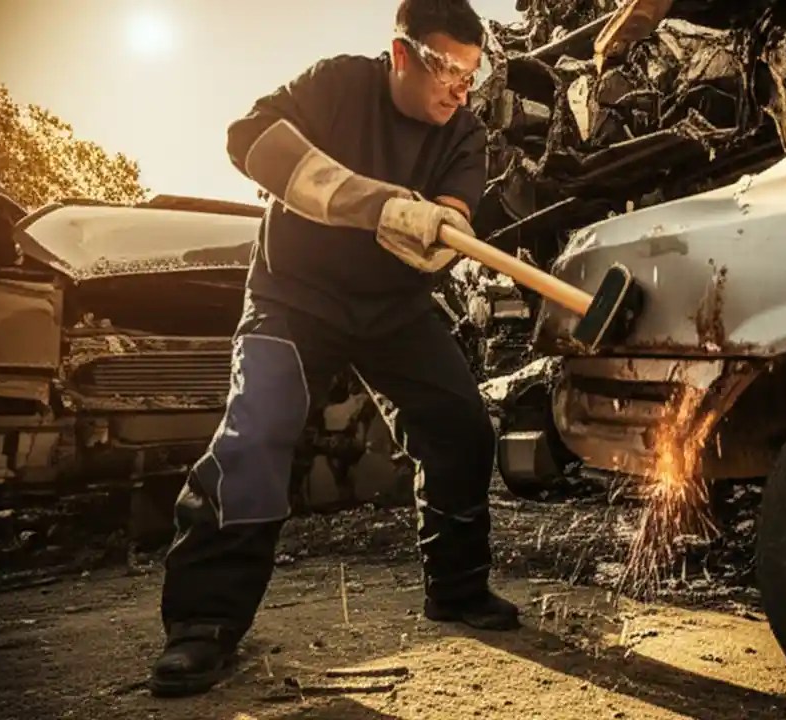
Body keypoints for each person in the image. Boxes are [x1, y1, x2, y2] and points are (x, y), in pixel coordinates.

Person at [150, 0, 519, 698]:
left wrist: (443, 224)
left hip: (393, 307)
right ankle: (203, 624)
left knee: (461, 427)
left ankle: (458, 588)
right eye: (446, 69)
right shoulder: (336, 85)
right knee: (257, 430)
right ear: (402, 53)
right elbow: (248, 137)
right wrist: (372, 202)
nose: (458, 90)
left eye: (472, 76)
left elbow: (460, 213)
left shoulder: (462, 132)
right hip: (295, 296)